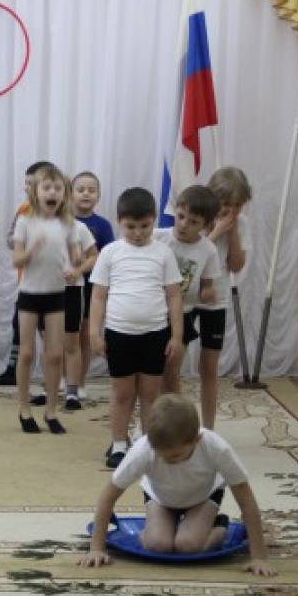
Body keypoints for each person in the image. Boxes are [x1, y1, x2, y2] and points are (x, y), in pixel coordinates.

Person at [79, 393, 275, 576]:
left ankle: (220, 525)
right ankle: (162, 527)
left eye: (175, 456)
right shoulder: (144, 449)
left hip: (203, 497)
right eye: (161, 455)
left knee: (188, 545)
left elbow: (244, 494)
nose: (168, 461)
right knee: (158, 544)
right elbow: (109, 494)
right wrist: (96, 548)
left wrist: (258, 556)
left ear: (197, 439)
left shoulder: (215, 447)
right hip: (161, 499)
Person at [88, 188, 183, 468]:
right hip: (119, 334)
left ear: (154, 220)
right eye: (131, 227)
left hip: (155, 335)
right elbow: (98, 295)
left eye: (145, 226)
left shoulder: (163, 253)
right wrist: (94, 332)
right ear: (119, 221)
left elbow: (174, 295)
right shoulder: (110, 253)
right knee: (122, 392)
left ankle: (147, 443)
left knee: (151, 394)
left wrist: (176, 335)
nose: (139, 233)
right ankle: (119, 444)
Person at [11, 165, 84, 434]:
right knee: (27, 353)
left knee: (55, 354)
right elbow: (16, 259)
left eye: (57, 188)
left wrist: (74, 266)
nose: (52, 192)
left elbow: (76, 255)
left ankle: (52, 410)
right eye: (46, 188)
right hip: (30, 295)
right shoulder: (25, 220)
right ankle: (24, 408)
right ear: (35, 192)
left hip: (56, 296)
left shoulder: (68, 224)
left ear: (64, 194)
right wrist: (30, 250)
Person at [0, 160, 54, 390]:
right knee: (19, 325)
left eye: (32, 184)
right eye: (26, 183)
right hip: (28, 282)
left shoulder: (59, 211)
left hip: (53, 285)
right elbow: (9, 239)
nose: (26, 188)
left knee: (50, 332)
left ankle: (56, 378)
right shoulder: (24, 209)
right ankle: (13, 371)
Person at [200, 167, 253, 429]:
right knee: (172, 361)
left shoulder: (240, 224)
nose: (230, 211)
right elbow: (190, 258)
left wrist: (231, 232)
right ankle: (171, 421)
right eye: (225, 204)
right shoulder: (194, 217)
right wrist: (216, 231)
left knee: (210, 367)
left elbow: (236, 265)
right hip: (186, 300)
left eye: (237, 206)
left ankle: (207, 429)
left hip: (216, 300)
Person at [156, 185, 221, 396]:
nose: (184, 225)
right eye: (181, 216)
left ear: (206, 225)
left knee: (171, 371)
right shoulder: (157, 237)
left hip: (182, 315)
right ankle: (148, 420)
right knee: (150, 372)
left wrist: (207, 294)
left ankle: (173, 418)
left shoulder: (208, 250)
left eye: (193, 222)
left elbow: (207, 286)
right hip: (152, 313)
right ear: (175, 210)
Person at [72, 171, 116, 401]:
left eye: (91, 190)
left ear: (98, 195)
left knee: (85, 335)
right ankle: (64, 379)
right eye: (80, 189)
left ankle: (79, 382)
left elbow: (109, 257)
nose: (86, 194)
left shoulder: (103, 225)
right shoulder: (61, 222)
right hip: (66, 285)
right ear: (70, 194)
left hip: (92, 288)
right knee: (65, 336)